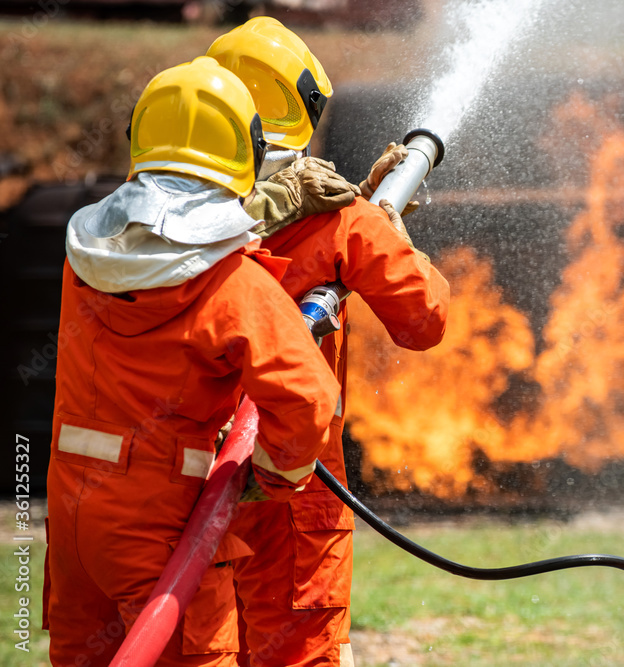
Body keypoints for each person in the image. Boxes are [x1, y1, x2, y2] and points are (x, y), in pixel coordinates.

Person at [44, 56, 341, 667]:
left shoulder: (83, 255)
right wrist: (276, 474)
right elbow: (309, 396)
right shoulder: (236, 283)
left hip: (72, 516)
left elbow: (162, 245)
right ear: (249, 154)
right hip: (164, 526)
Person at [207, 18, 451, 667]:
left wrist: (367, 212)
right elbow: (423, 320)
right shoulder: (340, 223)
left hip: (182, 485)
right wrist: (382, 231)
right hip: (291, 491)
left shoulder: (156, 224)